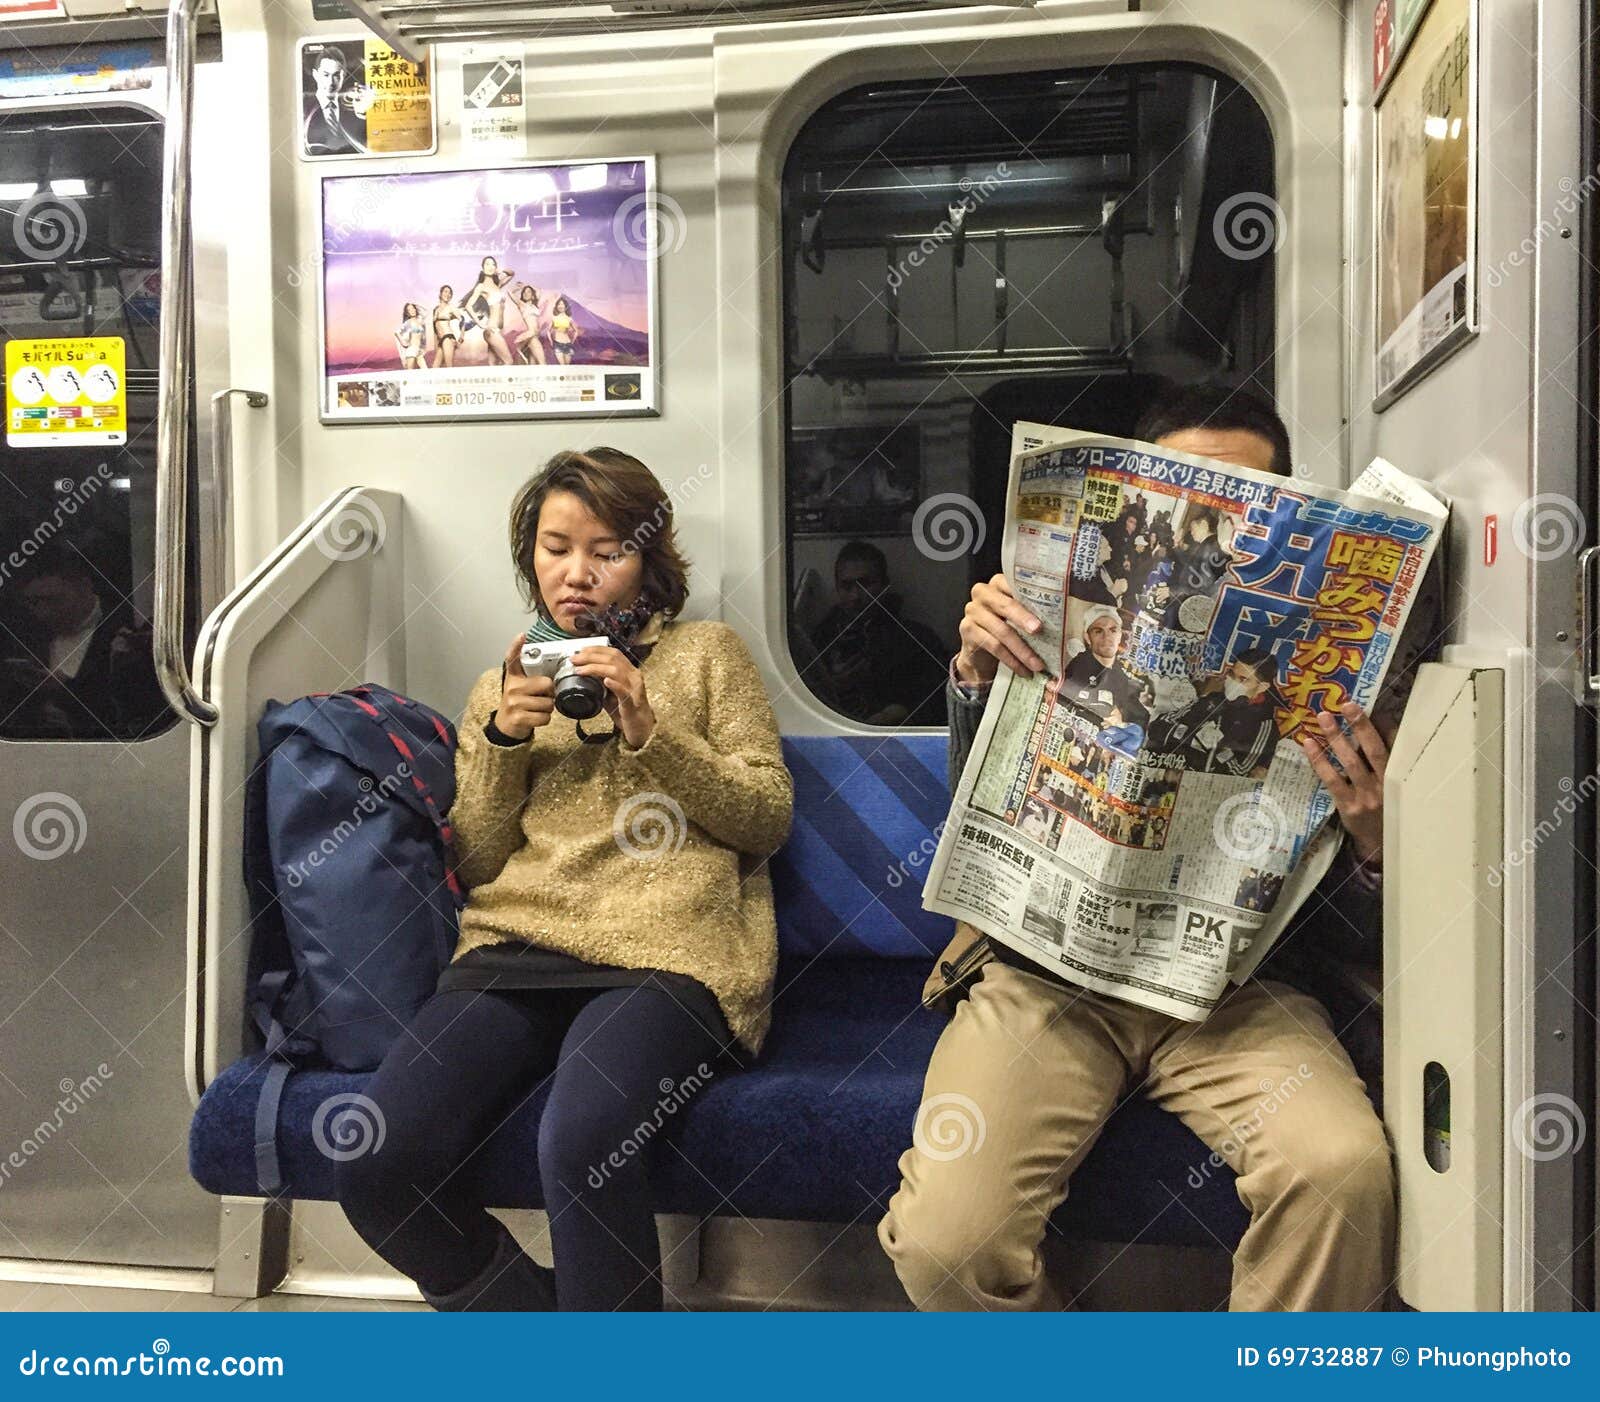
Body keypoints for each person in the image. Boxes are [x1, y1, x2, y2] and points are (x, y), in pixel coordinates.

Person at [879, 381, 1442, 1312]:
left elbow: (1354, 937)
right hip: (1049, 977)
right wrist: (977, 676)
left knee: (1340, 1173)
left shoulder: (1321, 683)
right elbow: (988, 824)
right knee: (947, 1241)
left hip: (1239, 985)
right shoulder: (1073, 625)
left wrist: (1373, 840)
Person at [334, 447, 793, 1311]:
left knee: (582, 1142)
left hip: (669, 950)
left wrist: (653, 734)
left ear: (647, 561)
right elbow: (475, 862)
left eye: (607, 549)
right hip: (518, 944)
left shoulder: (706, 656)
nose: (576, 574)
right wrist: (503, 744)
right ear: (530, 556)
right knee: (377, 1155)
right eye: (555, 548)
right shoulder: (500, 688)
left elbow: (766, 817)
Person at [0, 544, 166, 740]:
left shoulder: (131, 630)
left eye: (53, 601)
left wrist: (65, 690)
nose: (42, 612)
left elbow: (136, 710)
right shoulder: (21, 636)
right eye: (33, 602)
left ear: (83, 587)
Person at [809, 539, 948, 726]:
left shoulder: (918, 640)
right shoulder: (818, 639)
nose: (856, 596)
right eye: (847, 586)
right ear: (837, 588)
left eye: (865, 584)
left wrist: (894, 712)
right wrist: (834, 686)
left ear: (885, 585)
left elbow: (939, 704)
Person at [1144, 646, 1280, 777]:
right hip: (1167, 770)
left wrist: (1218, 746)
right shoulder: (1213, 699)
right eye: (1232, 675)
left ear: (1262, 687)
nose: (1233, 682)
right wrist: (1196, 736)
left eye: (1243, 679)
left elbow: (1239, 773)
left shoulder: (1265, 724)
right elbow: (1157, 726)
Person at [1059, 604, 1149, 728]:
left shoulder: (1121, 677)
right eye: (1098, 631)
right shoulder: (1077, 666)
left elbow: (1140, 715)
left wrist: (1122, 717)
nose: (1107, 637)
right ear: (1087, 637)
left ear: (1120, 636)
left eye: (1113, 630)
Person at [302, 46, 372, 156]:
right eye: (326, 75)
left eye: (336, 75)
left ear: (343, 75)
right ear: (316, 75)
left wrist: (363, 113)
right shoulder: (302, 105)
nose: (331, 82)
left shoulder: (354, 106)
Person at [461, 256, 516, 365]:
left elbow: (511, 273)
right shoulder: (481, 286)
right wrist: (480, 323)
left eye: (493, 264)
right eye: (487, 264)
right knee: (509, 361)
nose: (490, 267)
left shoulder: (497, 285)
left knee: (493, 365)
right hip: (492, 330)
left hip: (497, 329)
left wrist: (500, 271)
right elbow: (468, 305)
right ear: (482, 268)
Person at [430, 285, 469, 368]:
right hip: (441, 340)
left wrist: (461, 337)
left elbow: (462, 319)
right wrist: (435, 346)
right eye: (445, 291)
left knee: (449, 367)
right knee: (434, 368)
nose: (448, 294)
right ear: (440, 294)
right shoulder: (436, 309)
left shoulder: (450, 307)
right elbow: (435, 330)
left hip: (448, 338)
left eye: (450, 293)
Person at [511, 283, 548, 365]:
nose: (526, 293)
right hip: (531, 335)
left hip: (535, 335)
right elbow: (510, 292)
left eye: (528, 292)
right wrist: (518, 288)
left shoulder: (535, 306)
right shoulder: (522, 305)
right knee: (543, 363)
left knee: (533, 363)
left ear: (532, 295)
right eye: (524, 292)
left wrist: (526, 285)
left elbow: (539, 291)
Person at [548, 295, 581, 364]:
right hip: (557, 343)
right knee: (562, 365)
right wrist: (551, 341)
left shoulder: (569, 318)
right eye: (559, 304)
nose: (560, 306)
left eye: (562, 304)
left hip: (568, 344)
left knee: (567, 366)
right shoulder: (554, 318)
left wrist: (572, 341)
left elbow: (576, 331)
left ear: (566, 306)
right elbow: (548, 331)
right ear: (556, 306)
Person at [393, 303, 425, 370]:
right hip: (411, 350)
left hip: (419, 351)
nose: (412, 311)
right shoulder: (408, 322)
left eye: (413, 308)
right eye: (409, 310)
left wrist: (415, 304)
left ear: (416, 309)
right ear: (407, 313)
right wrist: (403, 343)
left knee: (425, 371)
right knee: (410, 374)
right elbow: (397, 332)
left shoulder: (420, 321)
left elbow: (426, 311)